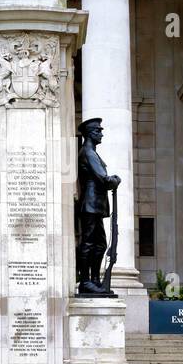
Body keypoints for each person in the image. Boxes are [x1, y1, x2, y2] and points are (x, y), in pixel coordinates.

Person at [76, 118, 120, 295]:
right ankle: (85, 281)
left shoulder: (92, 152)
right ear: (90, 133)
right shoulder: (88, 153)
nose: (101, 134)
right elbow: (104, 179)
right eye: (98, 131)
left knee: (100, 244)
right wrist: (115, 179)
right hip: (90, 205)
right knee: (88, 243)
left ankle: (95, 279)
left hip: (96, 206)